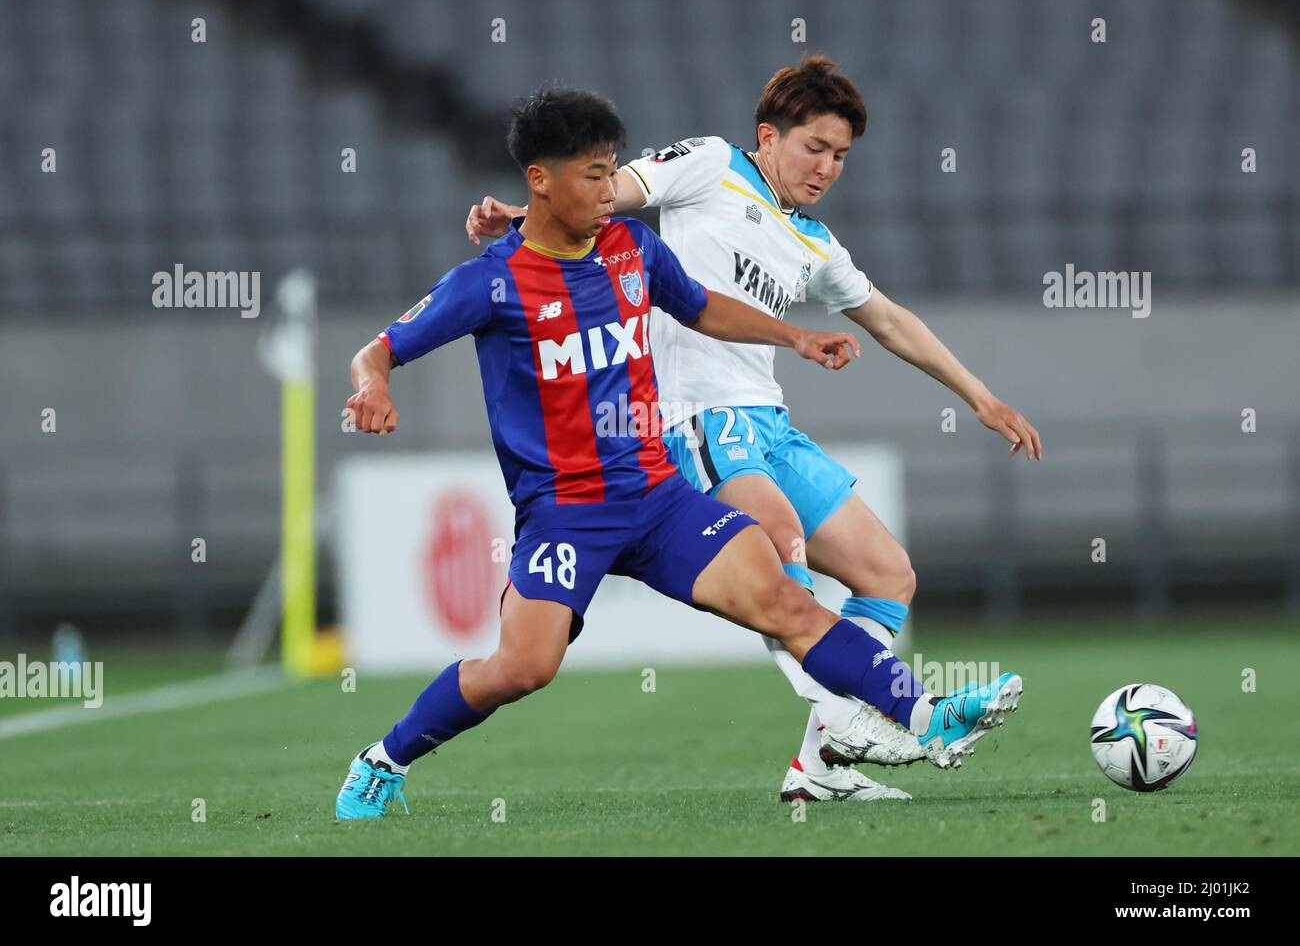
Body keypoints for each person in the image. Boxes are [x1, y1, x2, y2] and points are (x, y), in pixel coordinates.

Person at [336, 87, 1021, 819]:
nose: (609, 191)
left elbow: (699, 304)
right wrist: (372, 388)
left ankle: (924, 718)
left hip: (659, 495)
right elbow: (377, 351)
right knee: (522, 669)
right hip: (566, 512)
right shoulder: (491, 282)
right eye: (593, 176)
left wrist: (795, 336)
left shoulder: (633, 249)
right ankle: (384, 759)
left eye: (610, 174)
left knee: (785, 600)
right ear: (540, 180)